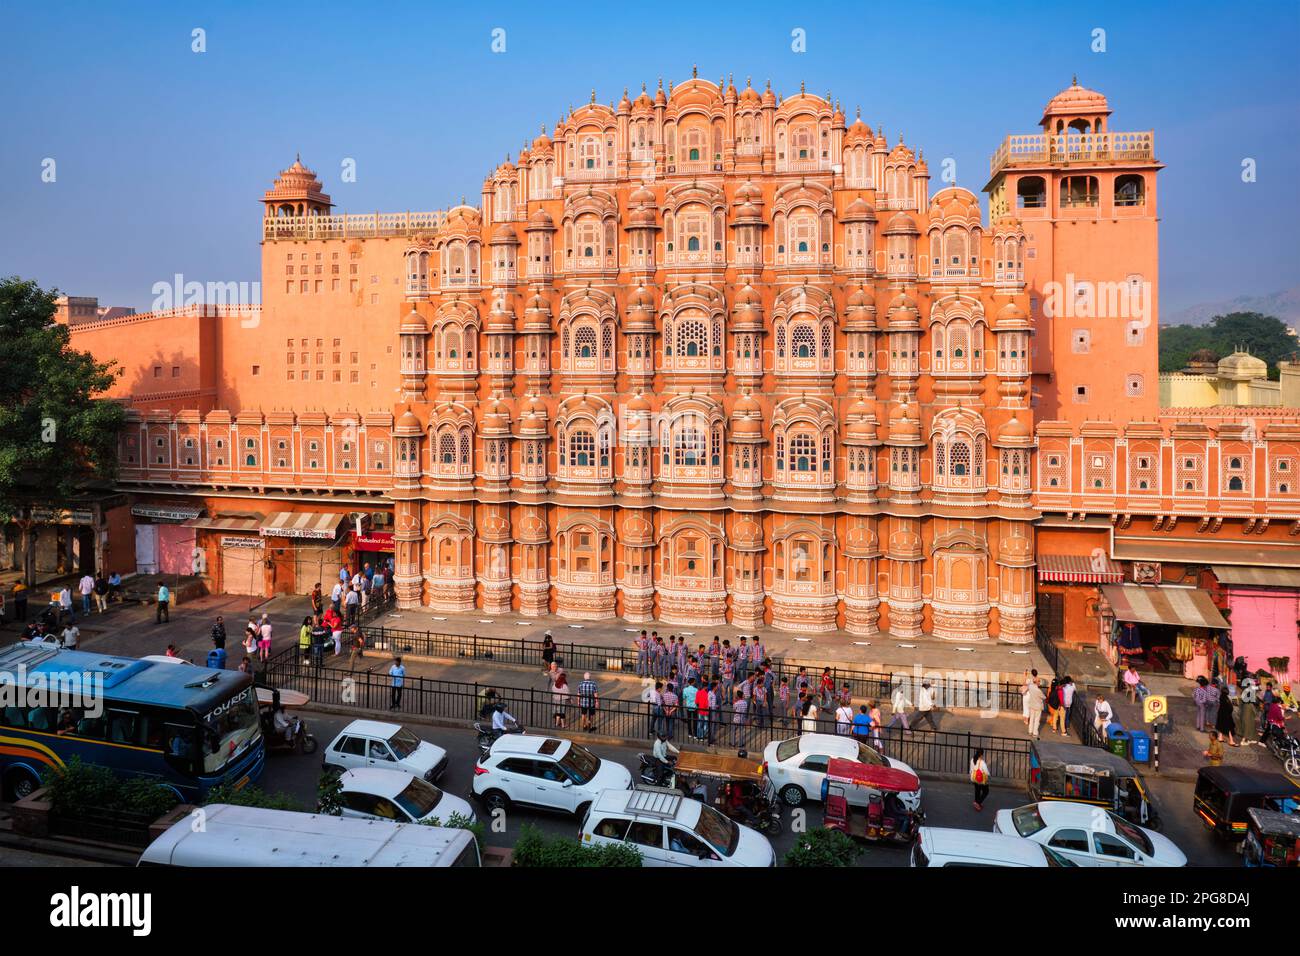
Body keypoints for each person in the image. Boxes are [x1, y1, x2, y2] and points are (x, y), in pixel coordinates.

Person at [1238, 677, 1259, 745]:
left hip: (1246, 707)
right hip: (1248, 707)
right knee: (1247, 724)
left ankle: (1248, 738)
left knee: (1249, 724)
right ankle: (1244, 739)